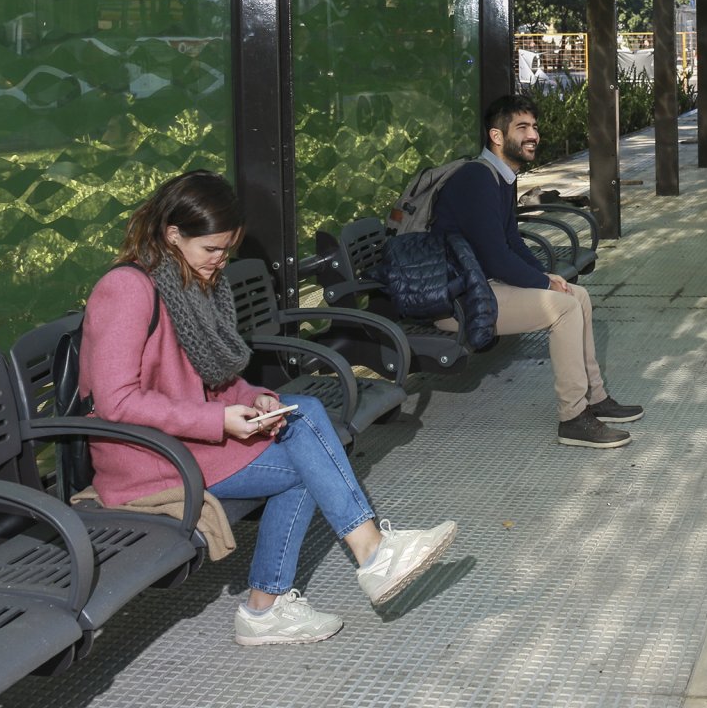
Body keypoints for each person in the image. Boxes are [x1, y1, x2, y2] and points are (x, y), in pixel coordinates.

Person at [82, 171, 457, 647]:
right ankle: (365, 558)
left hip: (187, 439)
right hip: (149, 458)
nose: (219, 264)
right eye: (211, 250)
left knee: (297, 415)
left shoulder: (188, 280)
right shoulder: (126, 289)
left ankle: (273, 605)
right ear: (172, 234)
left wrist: (252, 399)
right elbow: (116, 402)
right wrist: (218, 420)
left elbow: (211, 376)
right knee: (305, 431)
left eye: (226, 251)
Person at [428, 95, 642, 449]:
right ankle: (573, 417)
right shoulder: (477, 180)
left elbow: (511, 240)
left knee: (577, 295)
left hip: (483, 287)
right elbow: (496, 256)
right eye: (523, 128)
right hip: (457, 301)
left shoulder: (501, 178)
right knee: (564, 308)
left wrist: (548, 277)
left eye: (535, 127)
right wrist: (542, 282)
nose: (534, 135)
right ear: (497, 136)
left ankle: (595, 397)